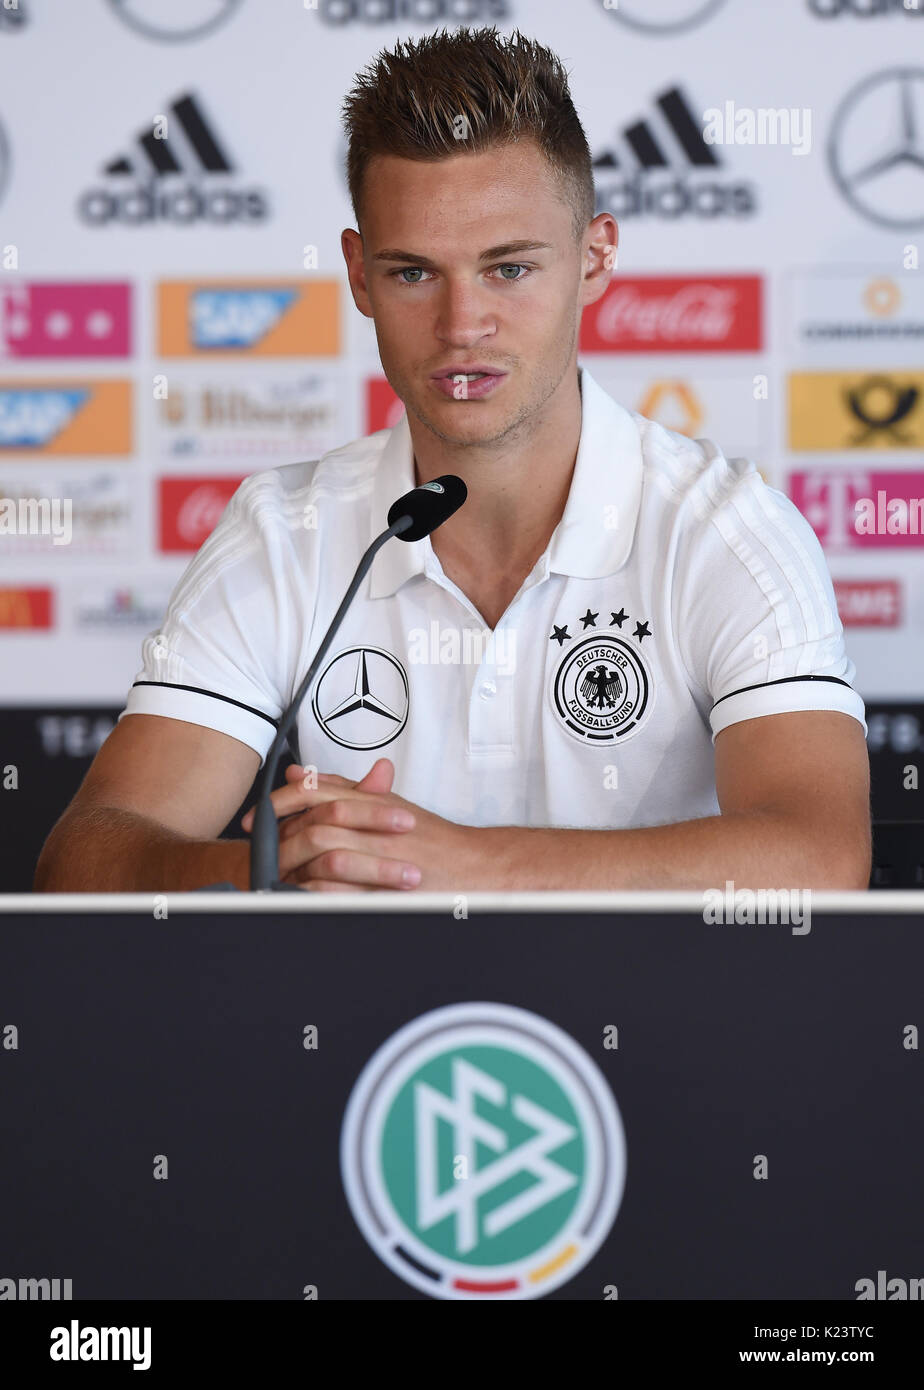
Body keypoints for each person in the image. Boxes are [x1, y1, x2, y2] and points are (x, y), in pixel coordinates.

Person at [34, 26, 871, 894]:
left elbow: (820, 856)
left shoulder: (725, 529)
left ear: (596, 258)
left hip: (658, 1026)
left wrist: (460, 863)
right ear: (358, 274)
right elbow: (86, 859)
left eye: (508, 269)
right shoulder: (288, 531)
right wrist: (284, 869)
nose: (461, 323)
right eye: (412, 274)